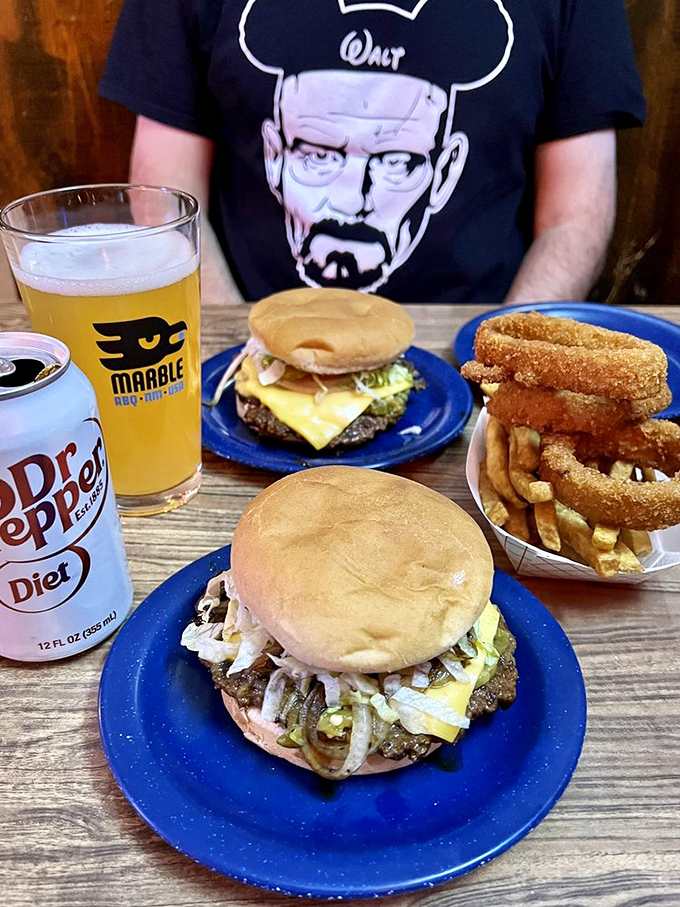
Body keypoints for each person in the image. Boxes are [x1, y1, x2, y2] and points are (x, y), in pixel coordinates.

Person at [100, 0, 645, 305]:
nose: (351, 200)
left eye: (397, 162)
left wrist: (499, 371)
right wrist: (243, 356)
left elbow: (574, 218)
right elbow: (165, 199)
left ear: (444, 170)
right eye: (317, 154)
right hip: (250, 348)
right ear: (275, 154)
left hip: (472, 357)